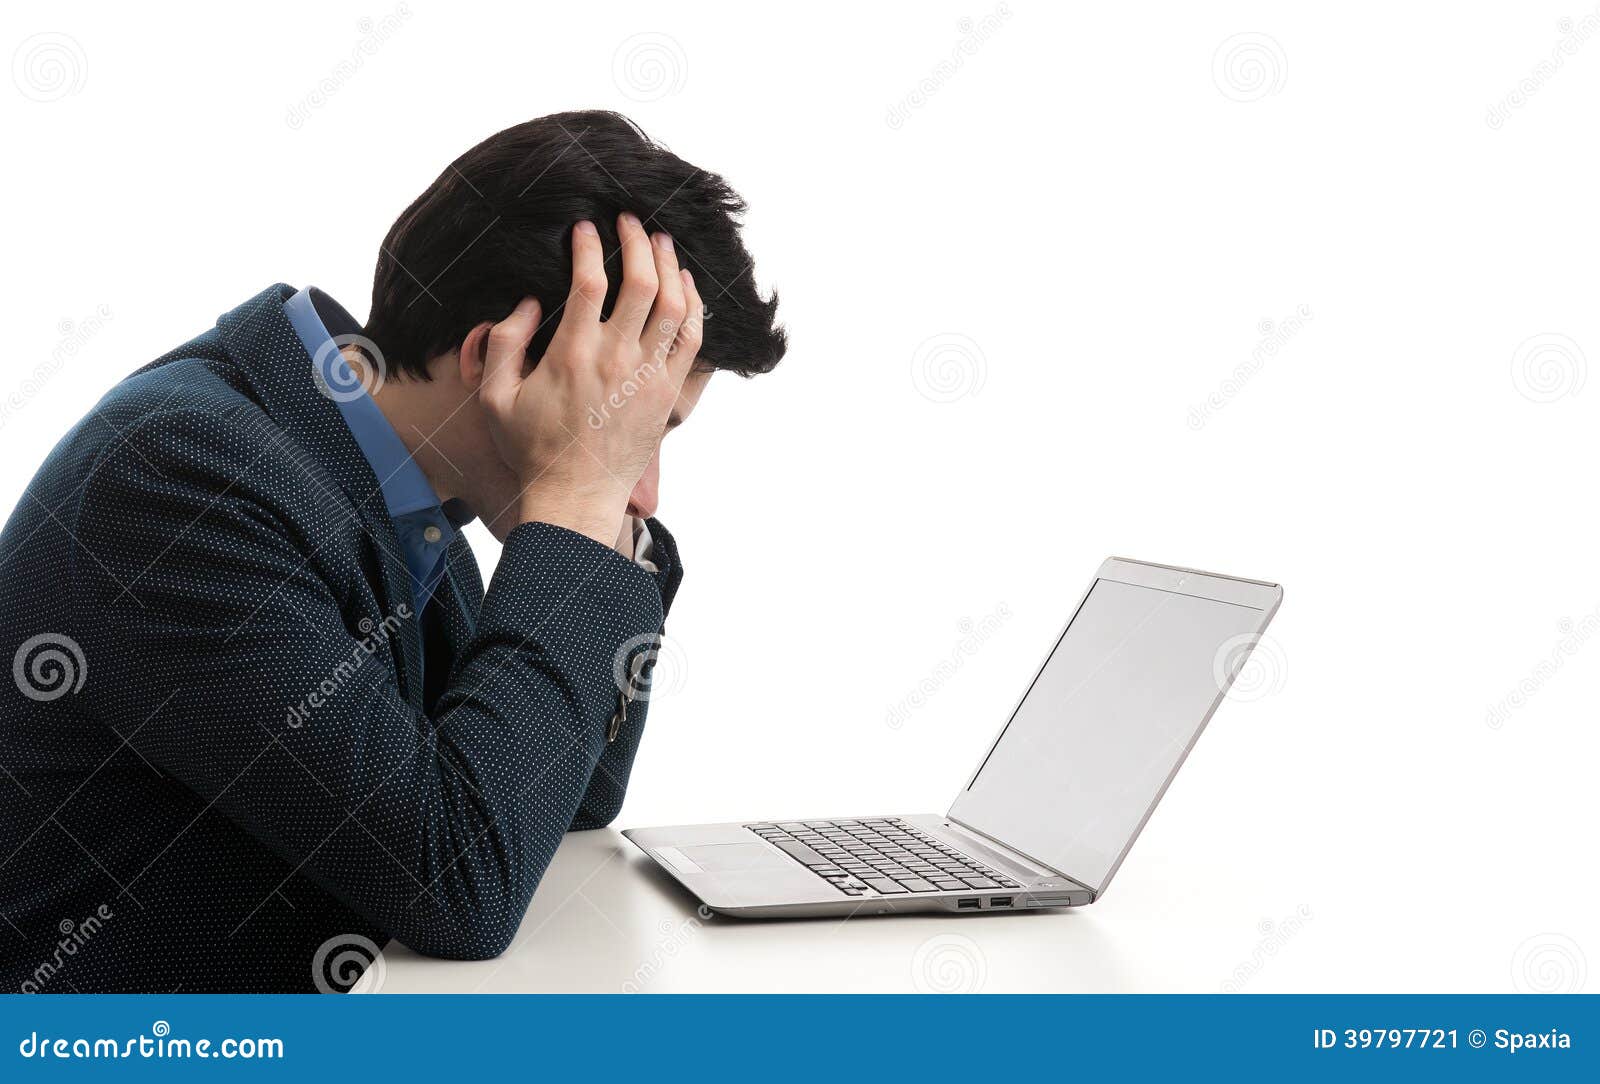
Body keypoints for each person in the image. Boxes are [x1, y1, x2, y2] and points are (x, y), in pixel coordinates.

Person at [0, 110, 786, 993]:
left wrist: (585, 505)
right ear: (502, 357)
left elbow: (565, 799)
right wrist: (572, 502)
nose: (642, 496)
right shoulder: (182, 479)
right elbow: (461, 887)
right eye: (637, 434)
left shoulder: (390, 481)